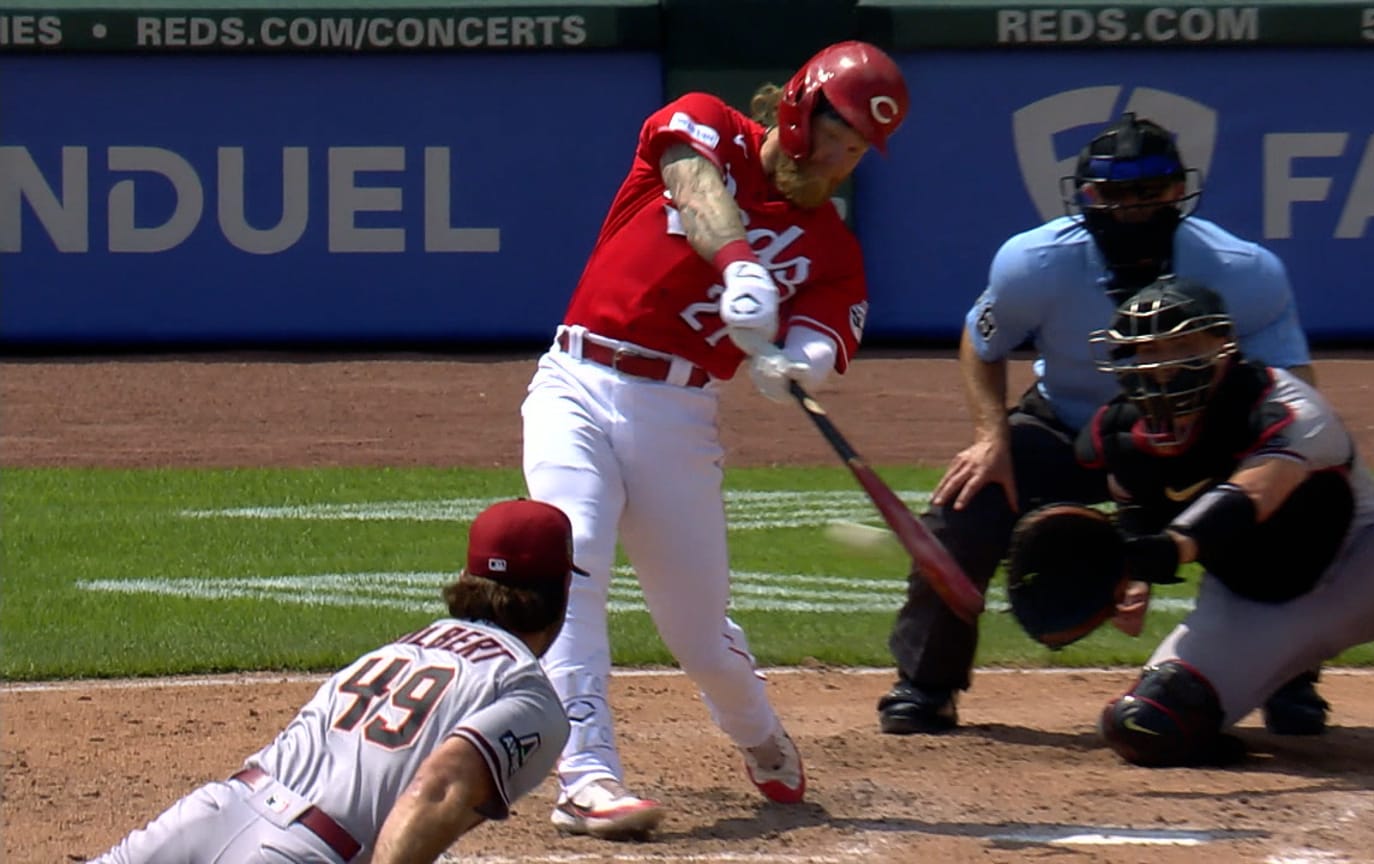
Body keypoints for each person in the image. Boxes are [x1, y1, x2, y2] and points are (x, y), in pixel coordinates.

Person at [520, 41, 909, 840]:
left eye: (857, 152)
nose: (841, 160)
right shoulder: (706, 122)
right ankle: (586, 777)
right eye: (835, 136)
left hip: (679, 416)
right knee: (574, 563)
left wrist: (795, 364)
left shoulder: (831, 249)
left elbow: (827, 337)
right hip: (575, 380)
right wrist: (738, 264)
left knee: (697, 634)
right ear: (798, 107)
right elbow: (696, 191)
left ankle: (759, 733)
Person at [878, 111, 1327, 737]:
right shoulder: (1033, 262)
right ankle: (925, 684)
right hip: (1068, 427)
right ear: (1086, 197)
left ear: (1178, 191)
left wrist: (1256, 470)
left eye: (1148, 193)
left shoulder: (1242, 270)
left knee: (1288, 499)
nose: (1131, 210)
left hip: (1196, 438)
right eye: (1113, 195)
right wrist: (991, 439)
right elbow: (982, 342)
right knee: (967, 499)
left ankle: (1288, 679)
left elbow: (1294, 387)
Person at [1069, 277, 1374, 766]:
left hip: (1370, 571)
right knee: (1145, 727)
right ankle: (1273, 680)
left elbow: (1255, 491)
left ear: (1222, 346)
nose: (1161, 366)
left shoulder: (1284, 406)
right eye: (1147, 351)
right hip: (1247, 608)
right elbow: (1137, 505)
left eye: (1182, 344)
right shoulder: (1116, 435)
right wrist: (1133, 576)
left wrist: (1173, 546)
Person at [90, 499, 581, 864]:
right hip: (303, 852)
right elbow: (438, 788)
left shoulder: (398, 648)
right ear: (562, 591)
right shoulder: (526, 692)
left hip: (212, 811)